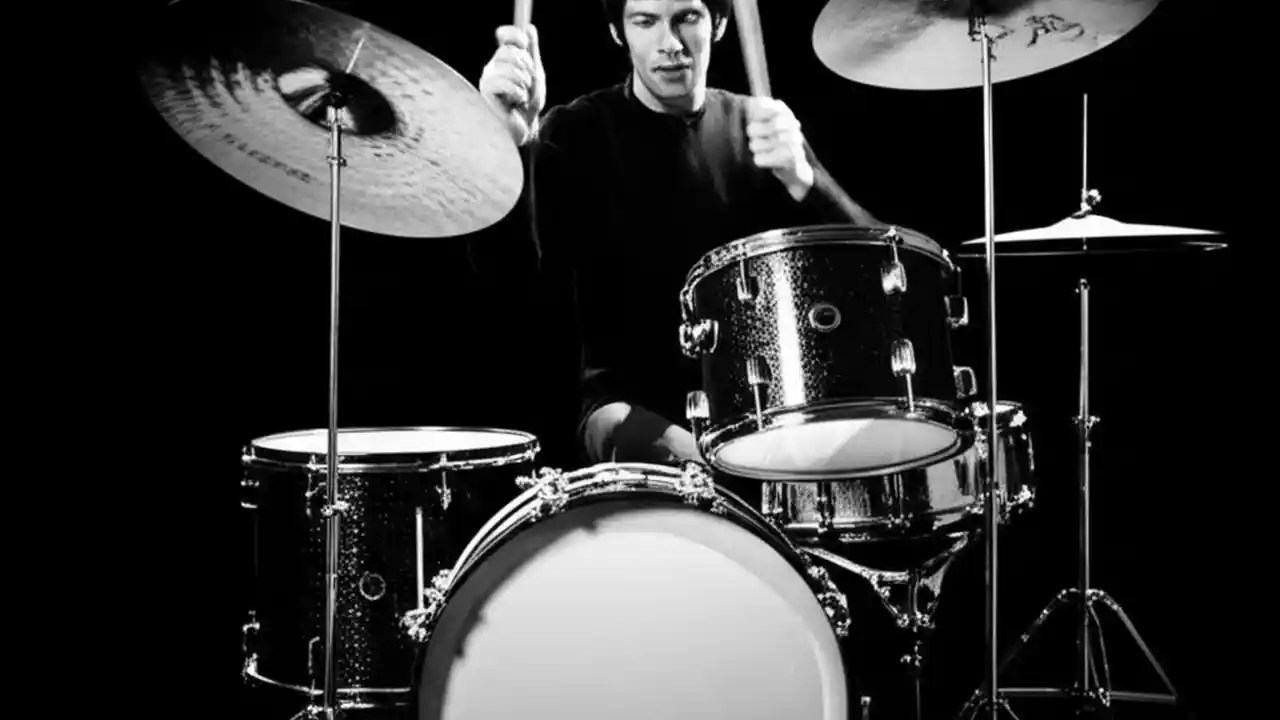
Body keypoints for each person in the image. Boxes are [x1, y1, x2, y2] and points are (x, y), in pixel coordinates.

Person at [474, 0, 881, 467]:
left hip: (762, 409)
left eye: (687, 17)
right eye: (645, 22)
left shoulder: (759, 126)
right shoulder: (577, 131)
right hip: (626, 407)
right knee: (684, 455)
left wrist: (804, 178)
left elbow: (885, 271)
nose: (670, 44)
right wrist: (508, 146)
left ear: (720, 23)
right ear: (618, 32)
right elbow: (508, 282)